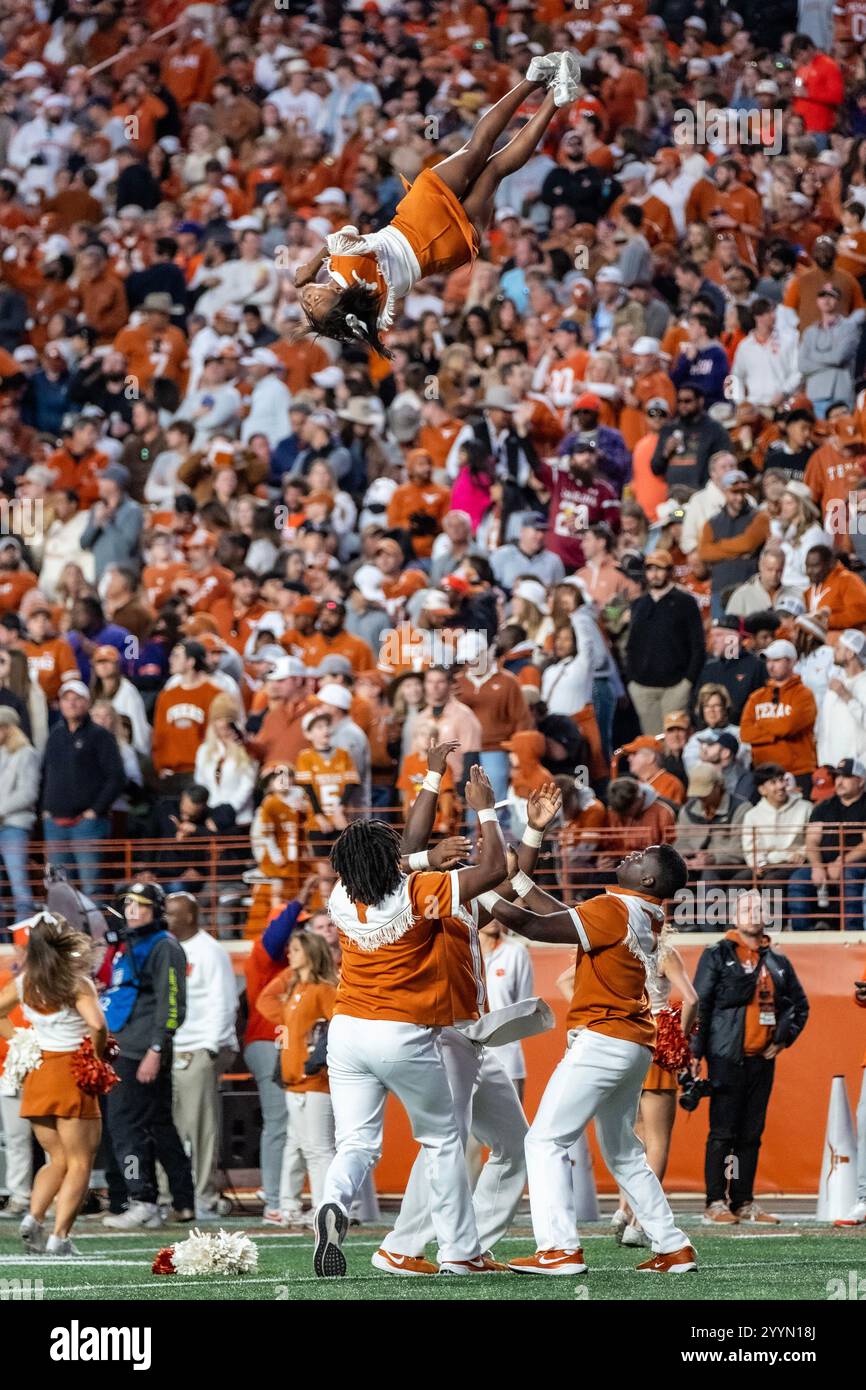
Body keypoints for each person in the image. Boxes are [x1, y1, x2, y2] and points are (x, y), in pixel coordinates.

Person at [312, 764, 509, 1278]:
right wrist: (484, 807)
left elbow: (396, 858)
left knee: (356, 1143)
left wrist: (429, 779)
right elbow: (492, 872)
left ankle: (333, 1201)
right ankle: (461, 1253)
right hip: (400, 1032)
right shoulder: (416, 892)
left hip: (347, 1031)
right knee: (442, 1141)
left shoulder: (339, 896)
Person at [486, 843, 698, 1274]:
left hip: (601, 1040)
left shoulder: (615, 910)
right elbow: (561, 915)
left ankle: (559, 1249)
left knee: (543, 1141)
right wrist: (521, 881)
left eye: (641, 856)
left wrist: (477, 891)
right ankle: (673, 1245)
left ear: (649, 880)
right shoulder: (636, 911)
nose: (630, 854)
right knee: (623, 1153)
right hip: (633, 1044)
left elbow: (532, 925)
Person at [295, 56, 580, 355]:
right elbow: (346, 233)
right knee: (478, 145)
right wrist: (311, 267)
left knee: (496, 170)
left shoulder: (372, 309)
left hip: (442, 252)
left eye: (306, 303)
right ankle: (533, 79)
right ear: (338, 307)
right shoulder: (344, 268)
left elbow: (359, 314)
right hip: (417, 219)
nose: (309, 299)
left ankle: (554, 100)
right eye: (315, 306)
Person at [691, 888, 809, 1225]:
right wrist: (696, 1053)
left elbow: (800, 1006)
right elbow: (701, 1004)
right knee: (722, 1132)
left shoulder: (778, 960)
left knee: (751, 1134)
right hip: (726, 1056)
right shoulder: (717, 953)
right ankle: (715, 1201)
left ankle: (743, 1201)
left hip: (762, 1059)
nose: (754, 912)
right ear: (733, 916)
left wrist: (783, 1041)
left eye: (760, 907)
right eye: (746, 907)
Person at [0, 911, 107, 1256]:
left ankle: (34, 1218)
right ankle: (59, 1237)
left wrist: (18, 1041)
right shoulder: (76, 982)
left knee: (57, 1159)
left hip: (39, 1074)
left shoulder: (25, 982)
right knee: (79, 1162)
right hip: (71, 1073)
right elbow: (98, 1025)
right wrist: (97, 1057)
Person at [101, 882, 195, 1229]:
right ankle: (183, 1201)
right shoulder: (131, 945)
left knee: (125, 1124)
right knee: (157, 1125)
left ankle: (142, 1200)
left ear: (156, 911)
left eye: (142, 905)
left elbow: (173, 1004)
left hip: (140, 1049)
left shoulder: (163, 946)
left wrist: (156, 1048)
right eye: (129, 904)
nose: (133, 911)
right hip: (128, 1045)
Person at [165, 891, 238, 1219]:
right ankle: (174, 1193)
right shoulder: (167, 948)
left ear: (189, 917)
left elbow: (225, 1002)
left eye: (171, 913)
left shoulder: (210, 951)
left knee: (201, 1127)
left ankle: (204, 1195)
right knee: (171, 1126)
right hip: (172, 1048)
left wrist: (211, 1047)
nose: (165, 917)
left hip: (200, 1047)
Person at [257, 930, 337, 1217]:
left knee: (318, 1149)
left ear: (311, 954)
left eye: (295, 950)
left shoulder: (324, 990)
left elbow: (337, 1027)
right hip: (294, 1082)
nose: (289, 954)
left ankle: (325, 1209)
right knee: (297, 1146)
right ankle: (289, 1207)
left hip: (316, 1081)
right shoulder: (295, 990)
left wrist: (316, 1062)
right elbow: (264, 1001)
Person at [41, 680, 125, 899]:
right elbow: (45, 773)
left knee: (92, 887)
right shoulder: (55, 735)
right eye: (66, 699)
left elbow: (116, 777)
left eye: (77, 699)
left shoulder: (100, 736)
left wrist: (95, 810)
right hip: (55, 822)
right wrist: (46, 808)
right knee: (59, 889)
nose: (71, 704)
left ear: (87, 703)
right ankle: (64, 934)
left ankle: (93, 934)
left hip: (87, 824)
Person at [625, 548, 706, 734]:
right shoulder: (639, 604)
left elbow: (697, 645)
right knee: (652, 742)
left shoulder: (685, 602)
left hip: (676, 686)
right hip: (642, 687)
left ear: (670, 571)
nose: (654, 574)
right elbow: (631, 645)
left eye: (659, 568)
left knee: (675, 741)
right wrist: (632, 680)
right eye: (650, 569)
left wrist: (687, 682)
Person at [788, 760, 866, 931]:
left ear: (861, 780)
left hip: (856, 864)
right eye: (837, 776)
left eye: (846, 777)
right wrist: (817, 866)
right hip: (824, 864)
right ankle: (802, 937)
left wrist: (841, 862)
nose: (839, 781)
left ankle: (853, 935)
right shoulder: (824, 806)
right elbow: (812, 840)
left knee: (851, 876)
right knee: (798, 880)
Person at [0, 708, 38, 922]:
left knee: (19, 888)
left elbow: (28, 792)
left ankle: (22, 942)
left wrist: (1, 810)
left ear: (8, 728)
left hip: (14, 826)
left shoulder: (26, 753)